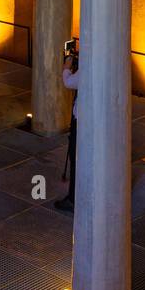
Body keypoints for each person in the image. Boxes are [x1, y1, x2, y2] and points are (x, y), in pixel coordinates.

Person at [56, 47, 79, 213]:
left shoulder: (90, 67)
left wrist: (66, 68)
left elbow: (69, 82)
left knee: (75, 156)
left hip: (82, 121)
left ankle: (73, 198)